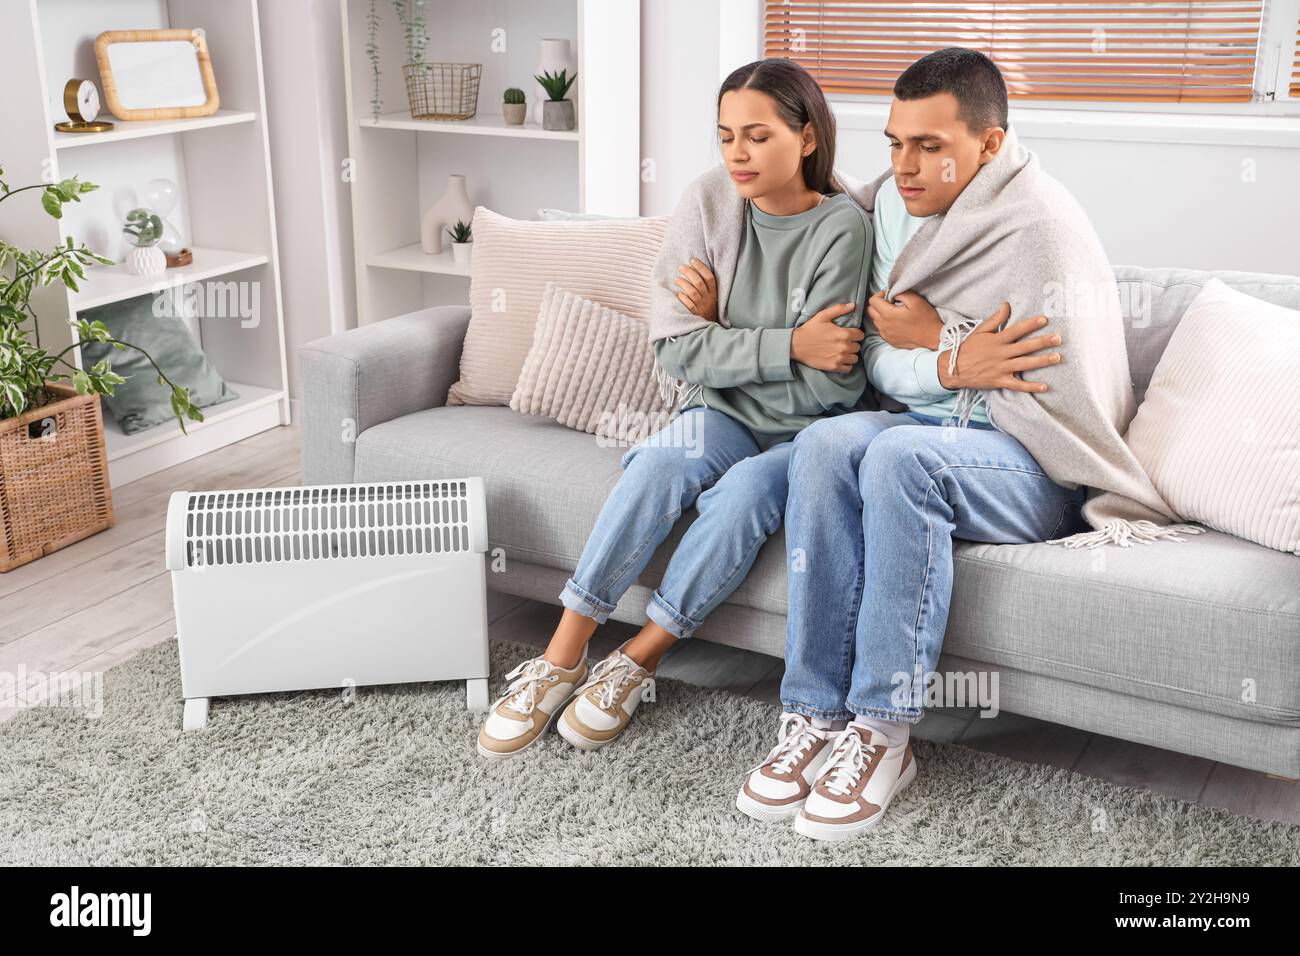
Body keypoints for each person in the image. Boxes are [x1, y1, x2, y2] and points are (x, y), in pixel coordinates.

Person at [736, 48, 1093, 841]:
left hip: (1031, 457)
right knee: (827, 445)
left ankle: (884, 735)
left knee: (900, 457)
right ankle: (815, 716)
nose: (906, 164)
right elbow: (872, 351)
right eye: (896, 142)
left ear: (990, 146)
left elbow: (1054, 387)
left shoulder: (1035, 223)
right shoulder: (887, 209)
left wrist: (939, 334)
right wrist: (948, 355)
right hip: (939, 423)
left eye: (931, 146)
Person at [477, 58, 875, 760]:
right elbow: (675, 352)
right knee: (662, 460)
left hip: (806, 437)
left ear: (807, 138)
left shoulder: (843, 229)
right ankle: (563, 655)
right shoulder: (707, 203)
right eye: (725, 137)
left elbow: (832, 388)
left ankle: (638, 658)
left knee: (744, 495)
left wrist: (724, 329)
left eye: (757, 135)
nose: (737, 155)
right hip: (717, 412)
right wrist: (784, 344)